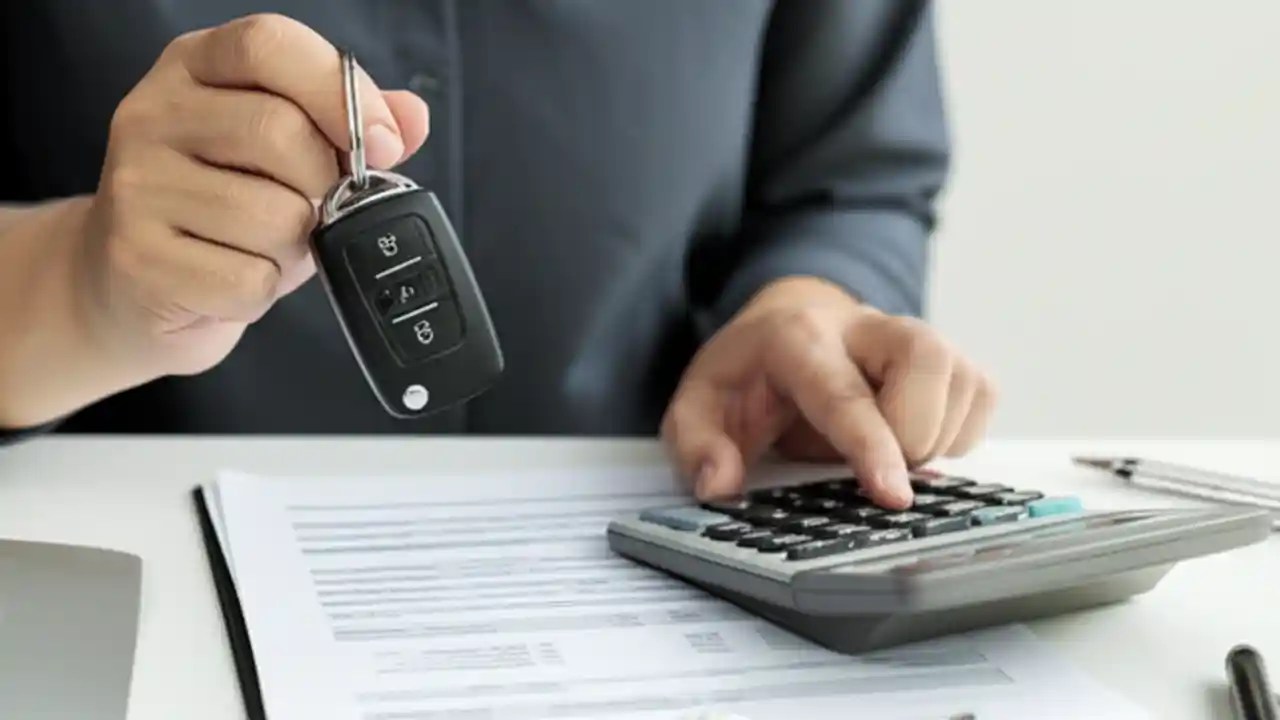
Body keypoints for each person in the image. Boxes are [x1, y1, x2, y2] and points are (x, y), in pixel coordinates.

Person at [0, 1, 995, 509]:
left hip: (677, 528)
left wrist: (804, 307)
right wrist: (73, 292)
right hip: (122, 576)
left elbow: (850, 178)